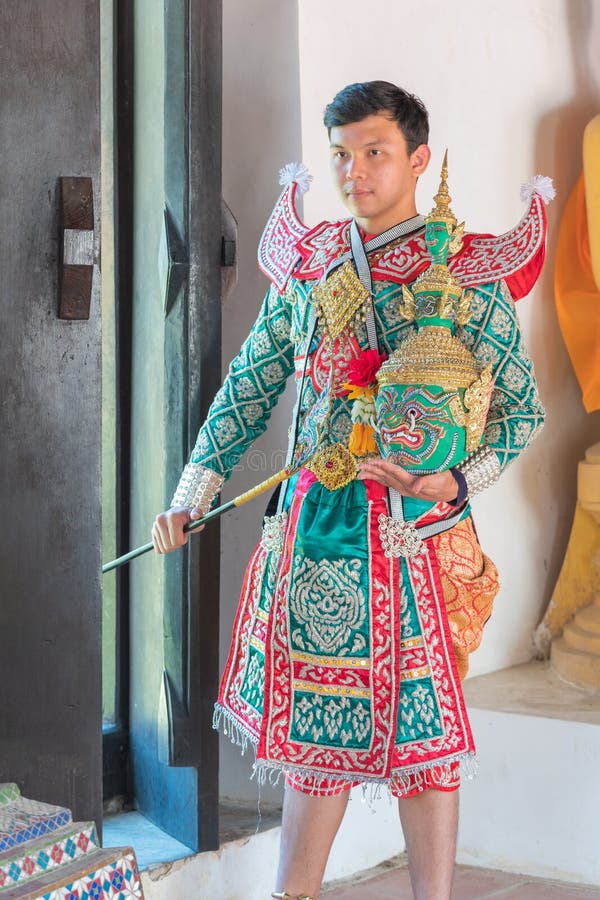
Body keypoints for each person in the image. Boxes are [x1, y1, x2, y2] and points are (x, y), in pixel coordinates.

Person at [152, 81, 548, 900]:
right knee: (313, 727)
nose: (354, 171)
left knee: (423, 736)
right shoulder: (311, 262)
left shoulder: (465, 273)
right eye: (341, 153)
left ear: (417, 158)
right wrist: (194, 489)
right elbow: (252, 382)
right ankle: (293, 894)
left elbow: (521, 409)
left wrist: (452, 479)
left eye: (374, 152)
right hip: (315, 532)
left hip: (418, 537)